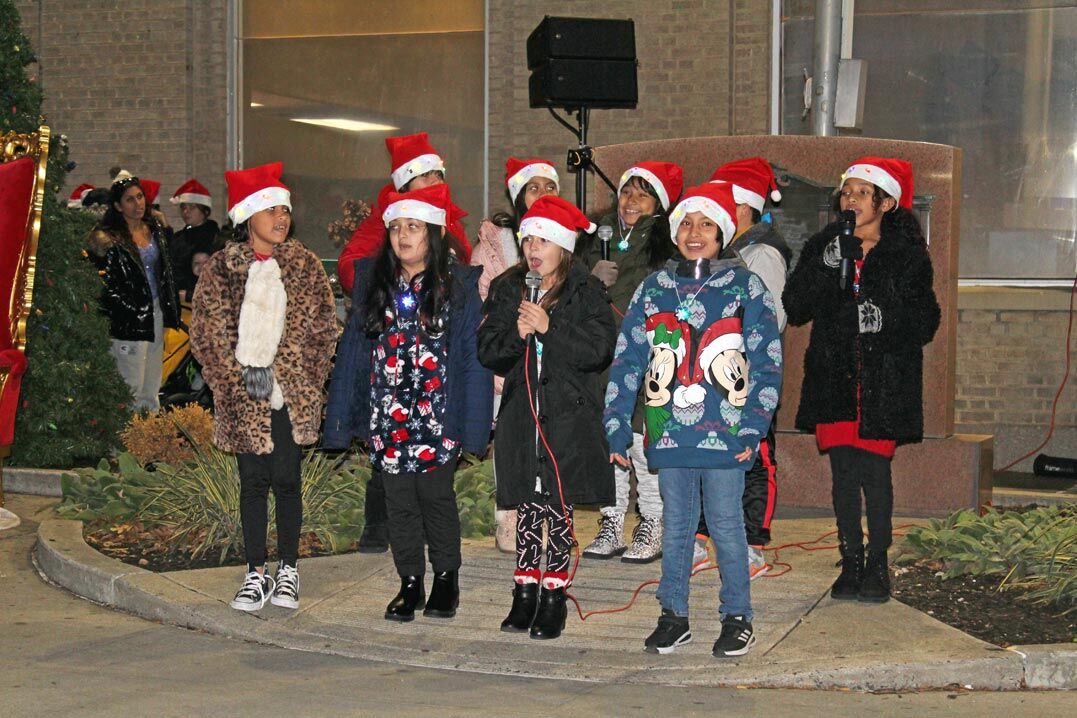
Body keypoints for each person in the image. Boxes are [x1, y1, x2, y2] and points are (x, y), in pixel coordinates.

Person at [604, 182, 782, 658]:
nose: (695, 232)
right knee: (677, 523)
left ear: (722, 232)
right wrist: (618, 423)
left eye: (706, 224)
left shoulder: (746, 287)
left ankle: (738, 616)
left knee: (726, 524)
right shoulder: (654, 288)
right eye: (686, 222)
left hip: (725, 432)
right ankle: (673, 616)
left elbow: (767, 361)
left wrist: (753, 425)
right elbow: (627, 360)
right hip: (668, 428)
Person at [323, 183, 492, 622]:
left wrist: (473, 426)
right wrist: (343, 417)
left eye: (413, 226)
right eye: (396, 227)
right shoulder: (372, 283)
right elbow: (353, 357)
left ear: (432, 233)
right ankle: (410, 582)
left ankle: (446, 579)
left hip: (438, 417)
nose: (403, 236)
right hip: (389, 417)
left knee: (436, 498)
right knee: (399, 502)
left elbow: (474, 362)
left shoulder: (457, 287)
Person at [783, 156, 939, 604]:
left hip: (881, 386)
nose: (849, 200)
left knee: (876, 475)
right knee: (844, 476)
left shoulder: (906, 254)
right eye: (845, 192)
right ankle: (850, 560)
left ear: (886, 203)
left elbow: (925, 319)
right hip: (835, 380)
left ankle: (878, 564)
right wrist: (828, 264)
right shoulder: (825, 246)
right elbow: (795, 305)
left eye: (860, 192)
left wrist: (880, 319)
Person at [189, 161, 336, 613]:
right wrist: (234, 382)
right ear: (247, 216)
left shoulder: (304, 265)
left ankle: (289, 569)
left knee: (287, 481)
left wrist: (300, 379)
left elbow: (323, 329)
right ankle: (255, 573)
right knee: (252, 483)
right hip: (243, 397)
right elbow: (205, 334)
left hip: (289, 396)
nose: (280, 217)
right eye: (269, 209)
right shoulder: (222, 269)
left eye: (284, 209)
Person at [478, 195, 615, 640]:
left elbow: (598, 352)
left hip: (566, 419)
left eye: (544, 239)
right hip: (523, 414)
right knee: (526, 503)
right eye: (528, 238)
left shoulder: (586, 290)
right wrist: (516, 336)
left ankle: (553, 594)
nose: (534, 247)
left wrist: (549, 328)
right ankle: (523, 591)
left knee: (557, 504)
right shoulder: (507, 287)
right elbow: (488, 352)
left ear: (563, 246)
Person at [577, 161, 683, 564]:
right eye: (626, 192)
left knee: (643, 438)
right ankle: (611, 519)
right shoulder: (594, 237)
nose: (631, 201)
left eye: (643, 193)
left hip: (649, 357)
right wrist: (590, 277)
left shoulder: (666, 242)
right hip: (600, 354)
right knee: (608, 438)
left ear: (658, 203)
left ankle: (652, 521)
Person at [693, 157, 791, 579]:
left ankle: (752, 543)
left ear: (744, 207)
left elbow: (770, 318)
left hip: (746, 376)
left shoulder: (762, 253)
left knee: (753, 457)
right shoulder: (721, 252)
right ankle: (698, 539)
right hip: (709, 373)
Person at [471, 156, 561, 553]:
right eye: (534, 187)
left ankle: (550, 522)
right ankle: (510, 523)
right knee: (510, 446)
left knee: (550, 445)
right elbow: (482, 317)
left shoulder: (566, 248)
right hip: (507, 370)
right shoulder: (493, 249)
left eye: (550, 186)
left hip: (552, 370)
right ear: (519, 197)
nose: (543, 194)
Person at [86, 175, 182, 412]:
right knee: (130, 384)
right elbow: (100, 285)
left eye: (140, 197)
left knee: (152, 382)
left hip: (156, 310)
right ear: (118, 206)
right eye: (130, 200)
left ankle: (146, 440)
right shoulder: (106, 238)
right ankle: (124, 443)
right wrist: (125, 309)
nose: (137, 203)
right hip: (127, 319)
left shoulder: (155, 229)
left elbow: (166, 269)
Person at [337, 132, 471, 296]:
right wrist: (395, 289)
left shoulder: (451, 222)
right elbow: (350, 269)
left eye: (438, 175)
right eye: (425, 176)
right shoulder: (386, 221)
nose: (435, 182)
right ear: (404, 186)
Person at [169, 179, 221, 301]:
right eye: (183, 207)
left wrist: (189, 295)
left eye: (192, 207)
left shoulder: (215, 238)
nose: (186, 212)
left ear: (205, 211)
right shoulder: (179, 238)